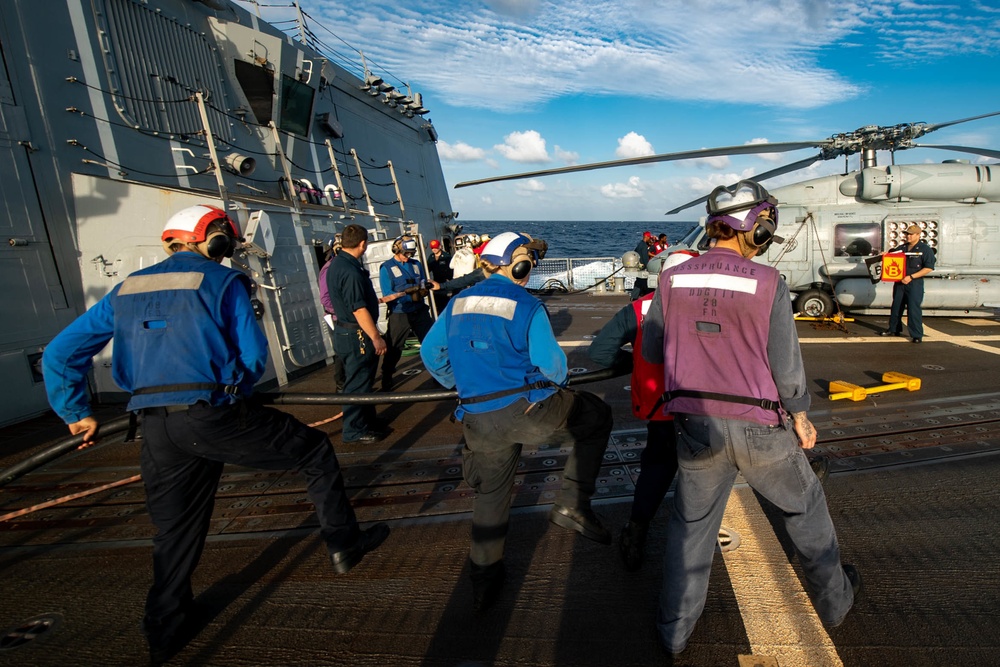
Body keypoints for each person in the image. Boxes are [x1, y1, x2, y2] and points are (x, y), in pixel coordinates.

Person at [41, 205, 389, 664]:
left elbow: (60, 353)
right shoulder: (224, 282)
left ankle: (165, 629)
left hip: (155, 425)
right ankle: (345, 544)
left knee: (175, 527)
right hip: (214, 414)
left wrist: (75, 412)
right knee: (315, 451)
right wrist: (236, 389)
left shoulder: (126, 289)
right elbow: (251, 356)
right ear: (216, 240)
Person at [642, 180, 860, 655]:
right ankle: (837, 603)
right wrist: (800, 416)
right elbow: (786, 367)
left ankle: (673, 634)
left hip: (695, 426)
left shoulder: (671, 278)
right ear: (757, 229)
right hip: (762, 428)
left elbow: (654, 348)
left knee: (690, 531)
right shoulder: (768, 283)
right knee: (806, 511)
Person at [421, 231, 614, 612]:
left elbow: (431, 352)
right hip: (529, 411)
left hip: (476, 414)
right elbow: (553, 368)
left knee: (491, 494)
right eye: (529, 262)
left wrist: (463, 383)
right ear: (520, 266)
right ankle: (572, 504)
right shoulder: (526, 304)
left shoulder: (457, 301)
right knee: (596, 415)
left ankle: (483, 579)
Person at [587, 251, 691, 571]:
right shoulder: (717, 304)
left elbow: (600, 353)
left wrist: (632, 363)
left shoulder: (639, 308)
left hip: (662, 411)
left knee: (656, 470)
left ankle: (636, 533)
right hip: (707, 409)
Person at [326, 223, 388, 443]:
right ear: (363, 244)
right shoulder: (350, 271)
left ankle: (366, 421)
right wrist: (376, 337)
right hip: (357, 335)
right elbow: (359, 309)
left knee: (362, 380)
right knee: (358, 382)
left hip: (344, 332)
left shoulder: (336, 265)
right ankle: (353, 430)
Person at [377, 235, 437, 392]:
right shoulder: (387, 268)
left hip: (419, 310)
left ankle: (438, 374)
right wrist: (409, 296)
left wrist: (424, 288)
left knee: (430, 342)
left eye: (410, 253)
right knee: (394, 346)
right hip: (400, 312)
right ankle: (387, 376)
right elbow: (388, 294)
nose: (408, 257)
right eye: (406, 253)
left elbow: (423, 281)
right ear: (397, 249)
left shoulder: (416, 264)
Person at [880, 224, 935, 343]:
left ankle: (916, 334)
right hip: (900, 283)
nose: (908, 236)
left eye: (911, 234)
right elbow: (892, 256)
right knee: (896, 307)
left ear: (918, 235)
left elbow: (929, 268)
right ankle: (894, 329)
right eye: (907, 234)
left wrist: (911, 277)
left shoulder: (925, 249)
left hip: (914, 283)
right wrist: (885, 255)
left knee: (913, 309)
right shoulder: (902, 248)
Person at [317, 235, 347, 395]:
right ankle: (341, 385)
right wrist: (342, 311)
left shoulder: (346, 267)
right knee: (341, 352)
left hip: (349, 317)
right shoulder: (328, 269)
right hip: (337, 318)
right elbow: (325, 298)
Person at [427, 238, 453, 312]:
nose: (434, 249)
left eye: (436, 247)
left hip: (445, 282)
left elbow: (451, 269)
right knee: (437, 302)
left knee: (446, 302)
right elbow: (428, 268)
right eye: (432, 248)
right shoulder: (431, 257)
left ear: (440, 247)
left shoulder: (446, 256)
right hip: (436, 281)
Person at [630, 231, 655, 300]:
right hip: (643, 267)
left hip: (638, 265)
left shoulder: (640, 244)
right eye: (649, 237)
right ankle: (639, 296)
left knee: (640, 282)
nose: (650, 239)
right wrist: (648, 266)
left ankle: (635, 296)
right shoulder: (644, 246)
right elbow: (645, 257)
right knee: (643, 281)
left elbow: (634, 252)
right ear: (646, 237)